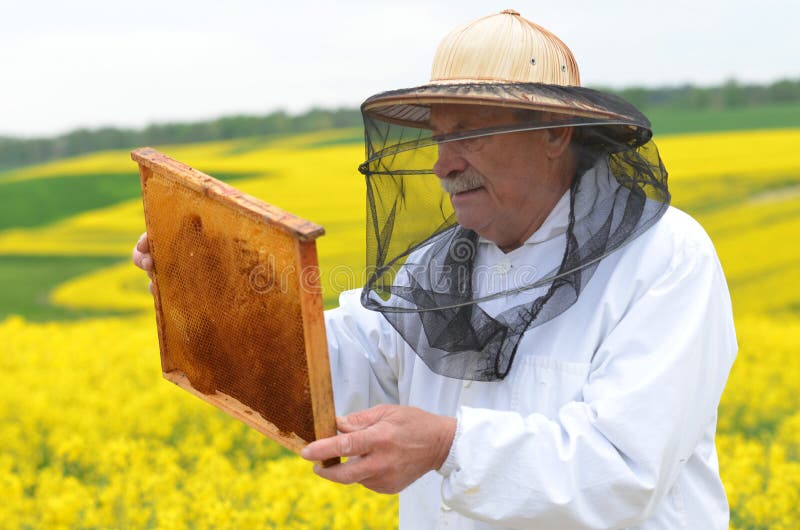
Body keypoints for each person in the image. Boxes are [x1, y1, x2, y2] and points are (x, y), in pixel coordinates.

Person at [133, 10, 737, 529]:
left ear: (555, 132)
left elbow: (623, 471)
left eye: (470, 135)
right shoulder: (437, 264)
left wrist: (448, 446)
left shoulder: (663, 260)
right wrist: (211, 288)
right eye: (439, 139)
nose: (443, 165)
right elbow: (337, 366)